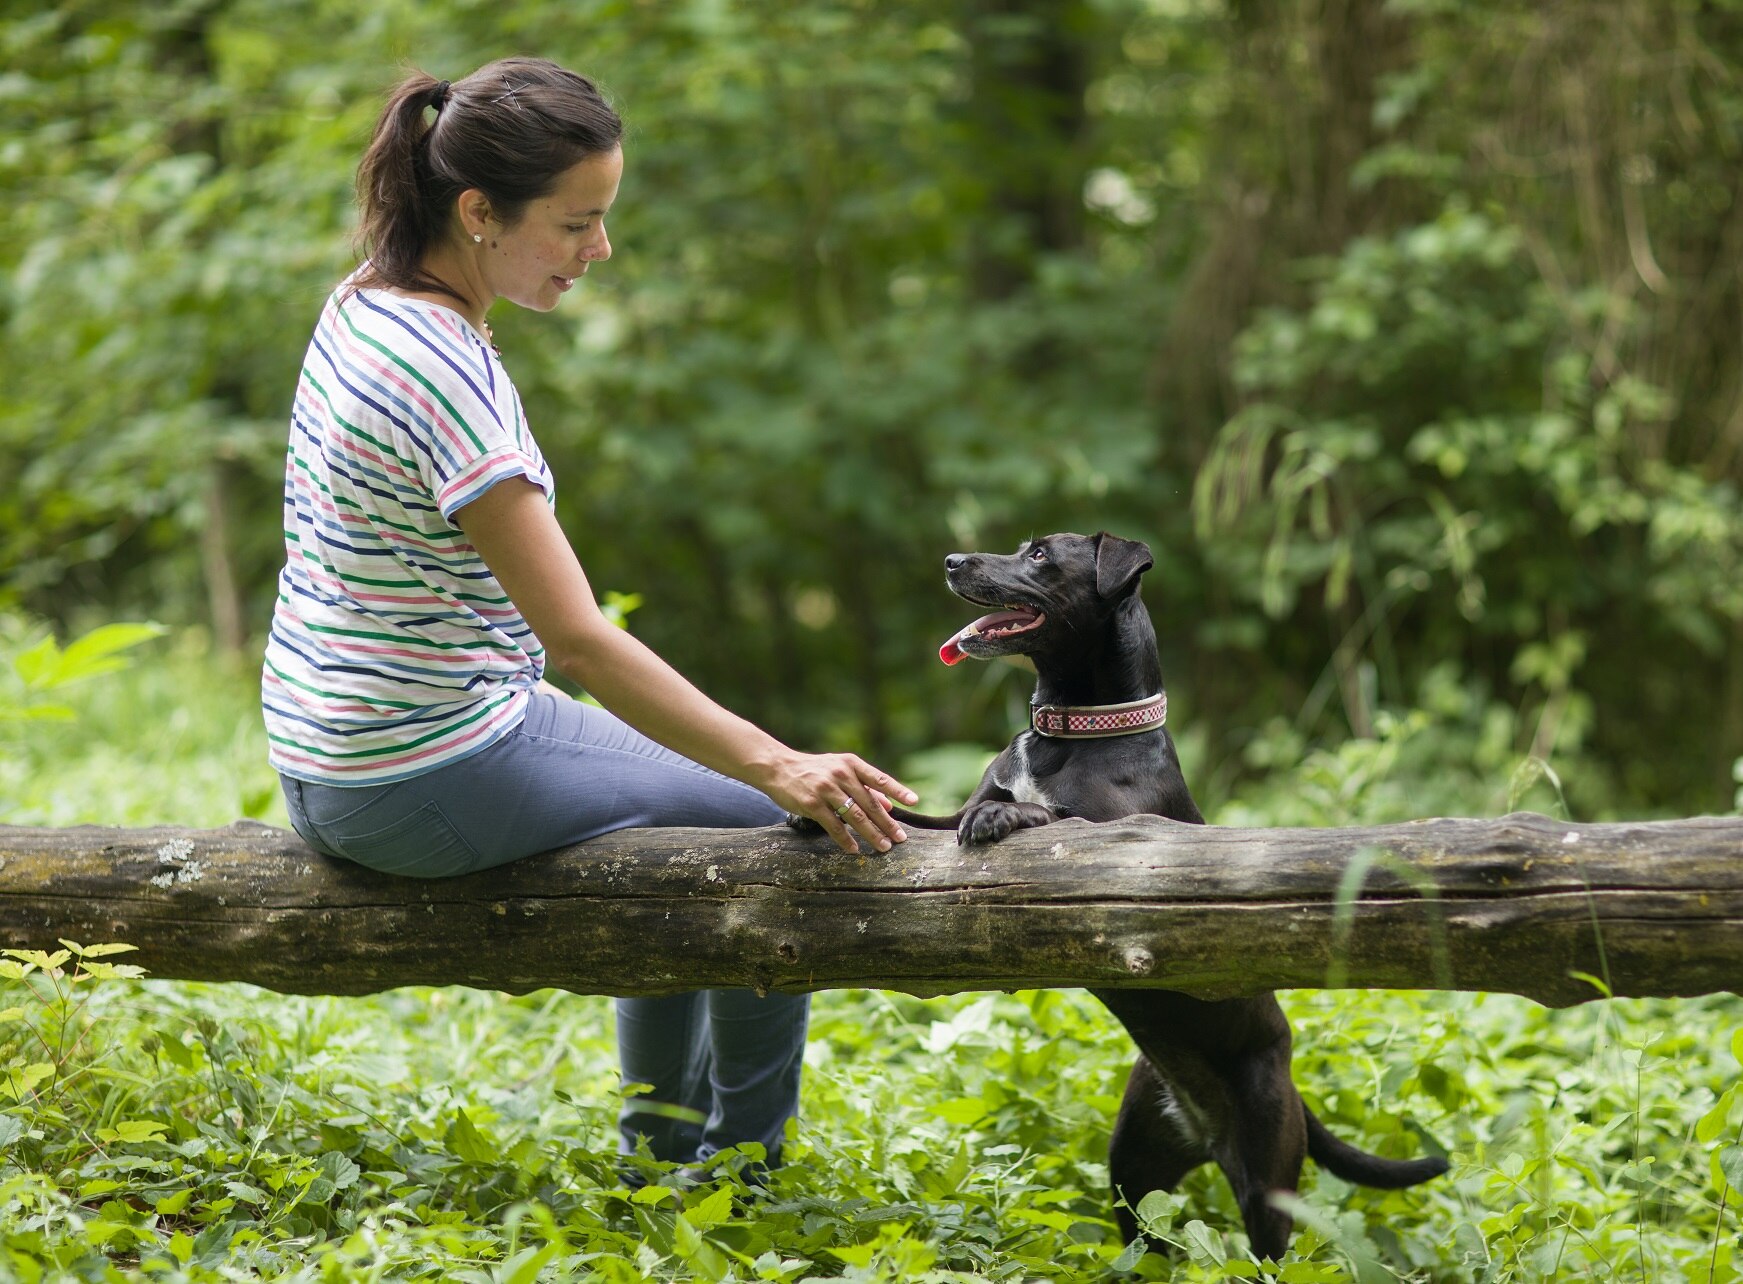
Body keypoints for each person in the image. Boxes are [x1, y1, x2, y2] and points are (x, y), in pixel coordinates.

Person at [261, 56, 916, 1182]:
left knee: (688, 811)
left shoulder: (364, 299)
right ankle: (741, 1179)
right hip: (421, 768)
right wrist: (783, 768)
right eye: (576, 224)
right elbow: (578, 642)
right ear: (477, 211)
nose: (598, 251)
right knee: (791, 832)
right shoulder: (445, 373)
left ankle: (657, 1156)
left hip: (328, 749)